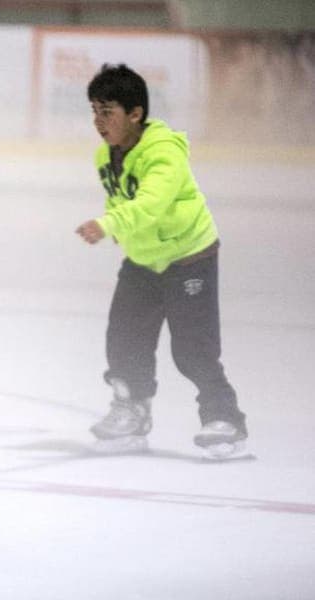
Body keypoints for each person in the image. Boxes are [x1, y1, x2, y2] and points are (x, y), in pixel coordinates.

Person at [76, 63, 248, 460]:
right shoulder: (106, 155)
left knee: (193, 349)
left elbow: (151, 203)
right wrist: (118, 229)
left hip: (189, 257)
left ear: (135, 114)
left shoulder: (165, 153)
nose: (99, 122)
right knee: (123, 340)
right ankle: (133, 412)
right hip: (143, 261)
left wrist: (108, 224)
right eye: (95, 112)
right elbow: (119, 198)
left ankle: (225, 419)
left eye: (108, 113)